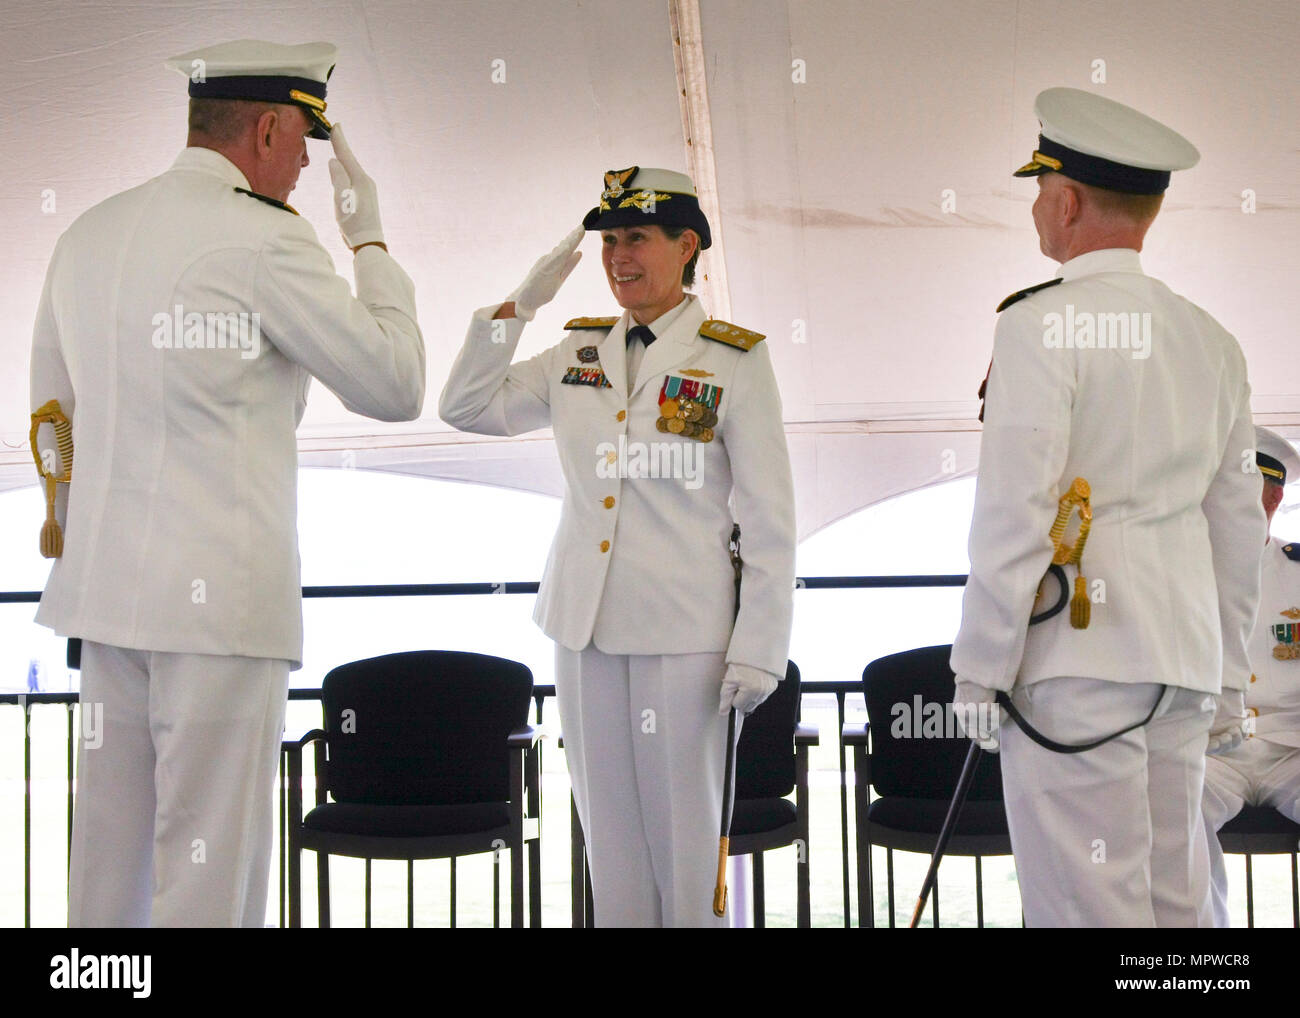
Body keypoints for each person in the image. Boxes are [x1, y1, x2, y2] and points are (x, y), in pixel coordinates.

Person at [28, 39, 425, 927]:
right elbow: (395, 384)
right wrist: (370, 241)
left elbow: (55, 418)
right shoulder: (264, 240)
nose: (304, 169)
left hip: (103, 596)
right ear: (272, 127)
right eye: (303, 148)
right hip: (220, 611)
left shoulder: (86, 233)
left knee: (106, 863)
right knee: (210, 870)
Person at [439, 167, 795, 926]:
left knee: (688, 840)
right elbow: (466, 406)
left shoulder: (732, 358)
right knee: (610, 842)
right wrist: (524, 302)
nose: (618, 256)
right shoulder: (578, 352)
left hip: (684, 630)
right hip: (583, 626)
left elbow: (770, 517)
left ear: (686, 244)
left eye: (636, 237)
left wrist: (761, 644)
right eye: (607, 241)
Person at [950, 87, 1263, 927]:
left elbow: (1016, 511)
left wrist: (981, 664)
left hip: (1077, 664)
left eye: (1037, 191)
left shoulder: (1037, 325)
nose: (1035, 210)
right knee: (1176, 904)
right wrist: (1230, 677)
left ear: (1068, 200)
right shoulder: (1211, 339)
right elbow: (1238, 526)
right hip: (1183, 663)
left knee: (1085, 905)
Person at [1202, 427, 1300, 926]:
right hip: (1213, 748)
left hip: (1294, 747)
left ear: (1275, 495)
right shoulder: (1184, 572)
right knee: (1171, 817)